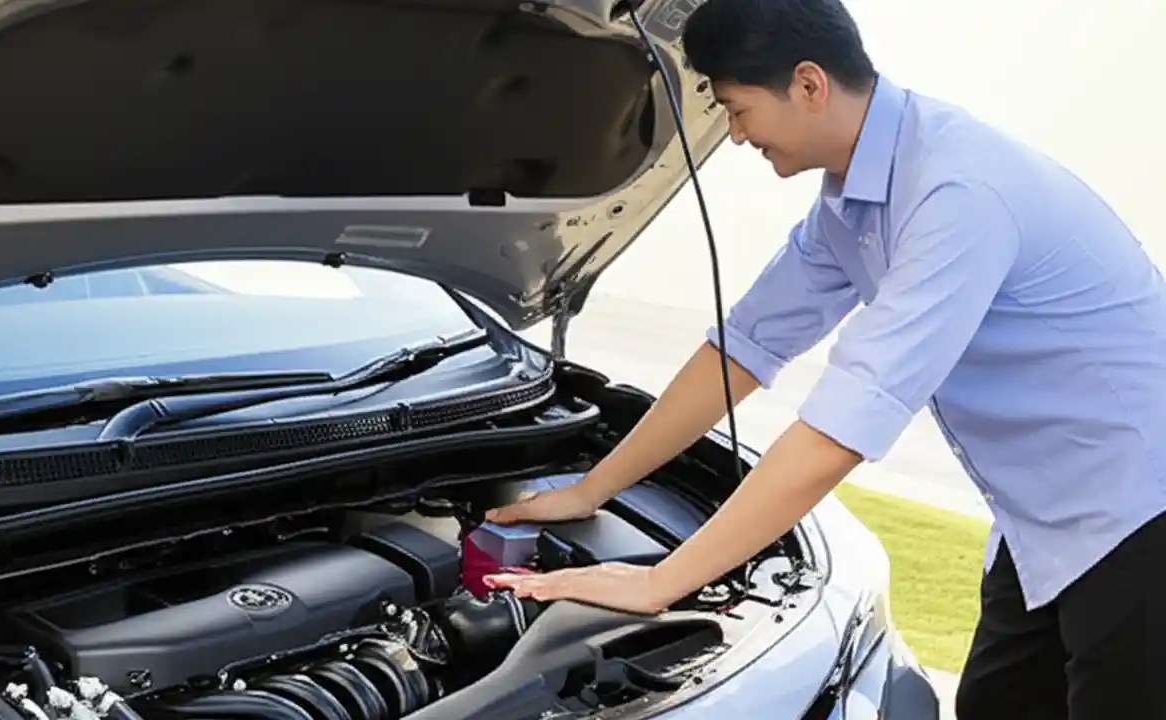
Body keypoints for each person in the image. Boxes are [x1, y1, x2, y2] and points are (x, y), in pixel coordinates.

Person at [481, 0, 1166, 717]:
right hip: (1038, 521)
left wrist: (660, 583)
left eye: (738, 109)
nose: (737, 135)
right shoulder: (851, 202)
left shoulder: (956, 192)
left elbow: (842, 426)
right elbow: (740, 348)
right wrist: (594, 488)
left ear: (808, 85)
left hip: (1138, 513)